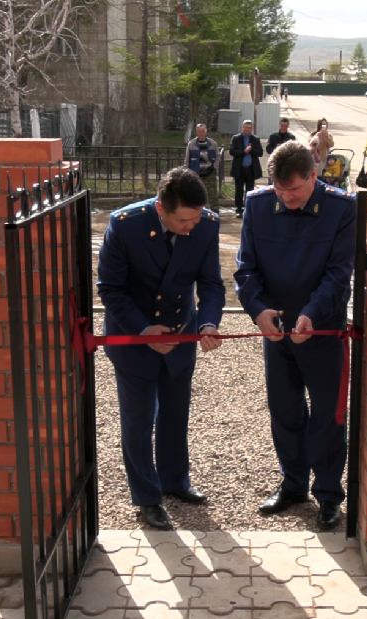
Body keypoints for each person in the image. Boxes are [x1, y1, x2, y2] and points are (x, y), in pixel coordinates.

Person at [234, 140, 356, 530]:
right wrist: (257, 311)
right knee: (285, 412)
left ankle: (328, 494)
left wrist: (312, 315)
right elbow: (245, 269)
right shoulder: (257, 204)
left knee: (327, 415)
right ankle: (293, 484)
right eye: (280, 190)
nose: (286, 198)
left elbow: (339, 274)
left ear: (313, 177)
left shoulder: (341, 208)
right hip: (276, 331)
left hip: (322, 330)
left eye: (295, 191)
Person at [96, 167, 225, 530]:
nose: (191, 227)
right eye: (184, 220)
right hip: (134, 339)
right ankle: (147, 497)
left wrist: (209, 323)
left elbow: (212, 284)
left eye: (197, 218)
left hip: (181, 335)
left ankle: (174, 481)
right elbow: (110, 289)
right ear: (160, 210)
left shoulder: (207, 225)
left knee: (175, 414)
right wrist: (143, 330)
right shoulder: (125, 225)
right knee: (139, 421)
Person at [227, 120, 262, 219]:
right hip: (240, 169)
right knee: (239, 191)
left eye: (249, 127)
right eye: (246, 127)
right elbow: (232, 151)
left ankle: (248, 209)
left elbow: (260, 152)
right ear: (242, 127)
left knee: (250, 191)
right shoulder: (236, 138)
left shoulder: (255, 139)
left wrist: (251, 151)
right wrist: (244, 152)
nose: (247, 129)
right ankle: (239, 209)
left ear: (252, 129)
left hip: (251, 169)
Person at [183, 124, 219, 209]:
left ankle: (215, 214)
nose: (201, 133)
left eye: (203, 131)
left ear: (206, 132)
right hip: (196, 174)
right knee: (196, 195)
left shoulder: (212, 143)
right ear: (196, 132)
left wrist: (215, 168)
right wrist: (187, 172)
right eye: (200, 131)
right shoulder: (191, 144)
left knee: (212, 195)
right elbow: (187, 159)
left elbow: (218, 156)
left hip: (209, 174)